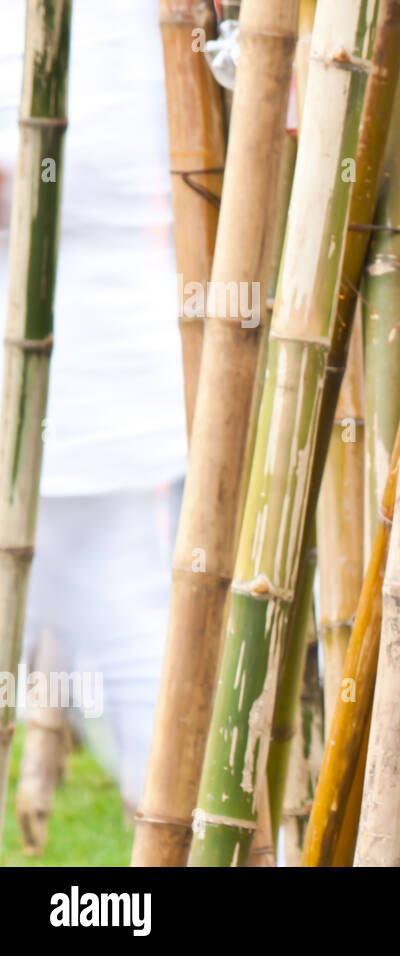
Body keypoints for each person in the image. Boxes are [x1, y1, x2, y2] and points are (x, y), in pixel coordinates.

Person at [0, 0, 188, 812]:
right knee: (157, 696)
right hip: (92, 405)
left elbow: (62, 172)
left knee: (159, 699)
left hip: (96, 402)